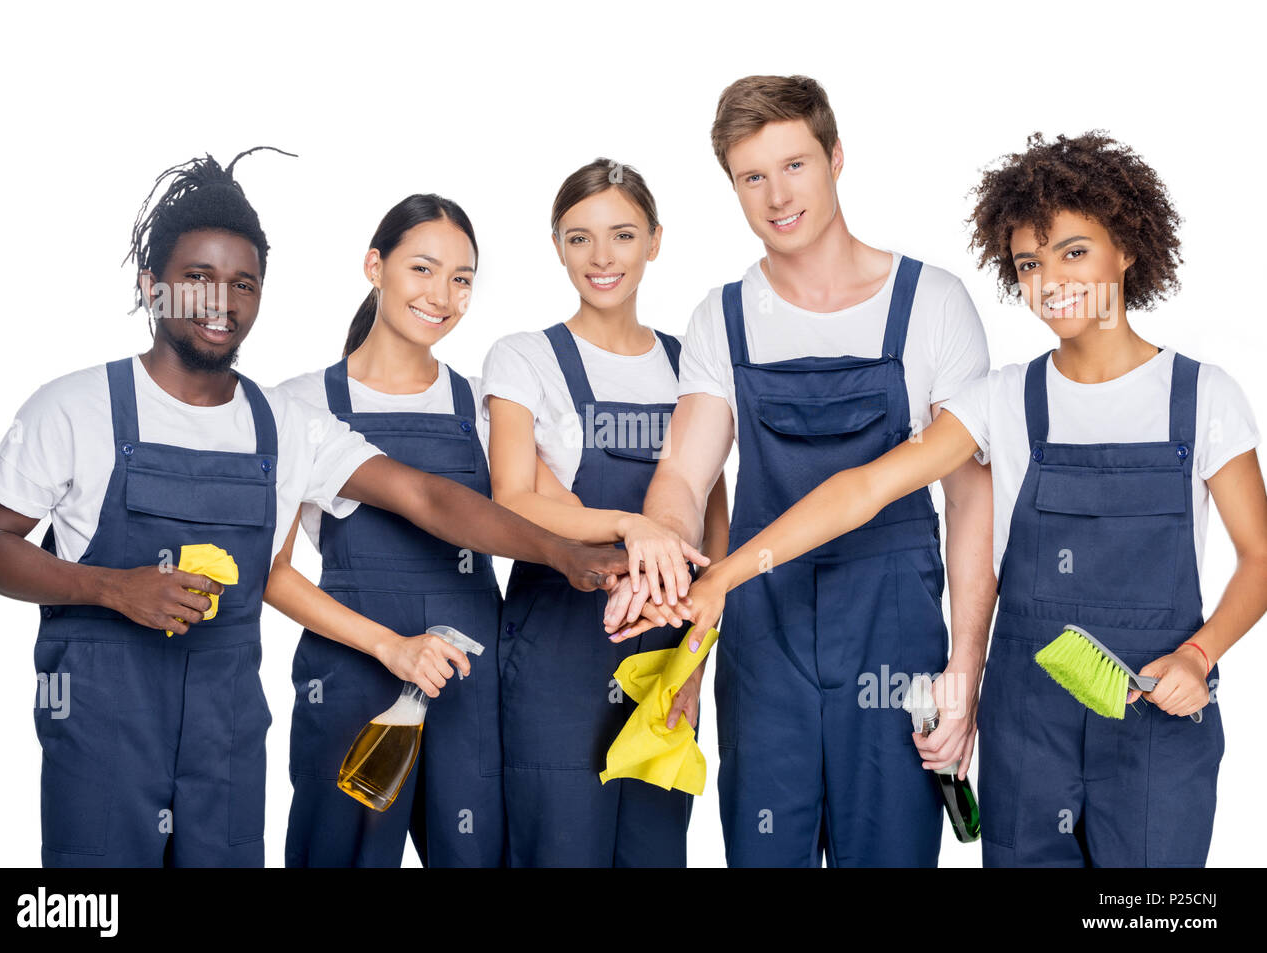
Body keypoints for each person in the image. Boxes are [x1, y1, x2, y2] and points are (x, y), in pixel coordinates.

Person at [0, 150, 626, 867]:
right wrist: (111, 586)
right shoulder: (75, 407)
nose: (221, 300)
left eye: (242, 283)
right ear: (150, 286)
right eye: (197, 279)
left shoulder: (283, 423)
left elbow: (430, 496)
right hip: (106, 725)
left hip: (229, 735)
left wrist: (567, 552)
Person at [674, 132, 1267, 867]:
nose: (1051, 280)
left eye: (1074, 251)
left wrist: (1198, 653)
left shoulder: (1204, 397)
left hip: (1157, 718)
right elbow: (865, 488)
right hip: (1030, 725)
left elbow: (1259, 557)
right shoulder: (1004, 399)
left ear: (1128, 248)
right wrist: (726, 574)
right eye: (1029, 263)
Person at [616, 75, 997, 867]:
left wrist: (965, 668)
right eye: (752, 177)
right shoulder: (721, 316)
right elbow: (685, 476)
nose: (776, 195)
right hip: (764, 638)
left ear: (836, 158)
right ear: (732, 187)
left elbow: (970, 504)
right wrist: (657, 540)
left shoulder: (932, 303)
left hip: (892, 638)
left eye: (794, 166)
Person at [482, 158, 729, 866]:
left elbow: (714, 511)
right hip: (556, 648)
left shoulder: (693, 365)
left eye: (622, 235)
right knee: (560, 844)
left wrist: (694, 665)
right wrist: (632, 523)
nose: (602, 257)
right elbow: (514, 497)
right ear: (557, 245)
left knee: (655, 844)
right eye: (579, 237)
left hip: (666, 646)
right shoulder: (524, 358)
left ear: (655, 240)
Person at [270, 194, 507, 867]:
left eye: (461, 279)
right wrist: (392, 647)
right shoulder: (299, 404)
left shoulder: (485, 404)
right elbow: (272, 573)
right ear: (375, 266)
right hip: (351, 676)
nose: (443, 296)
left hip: (471, 676)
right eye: (423, 269)